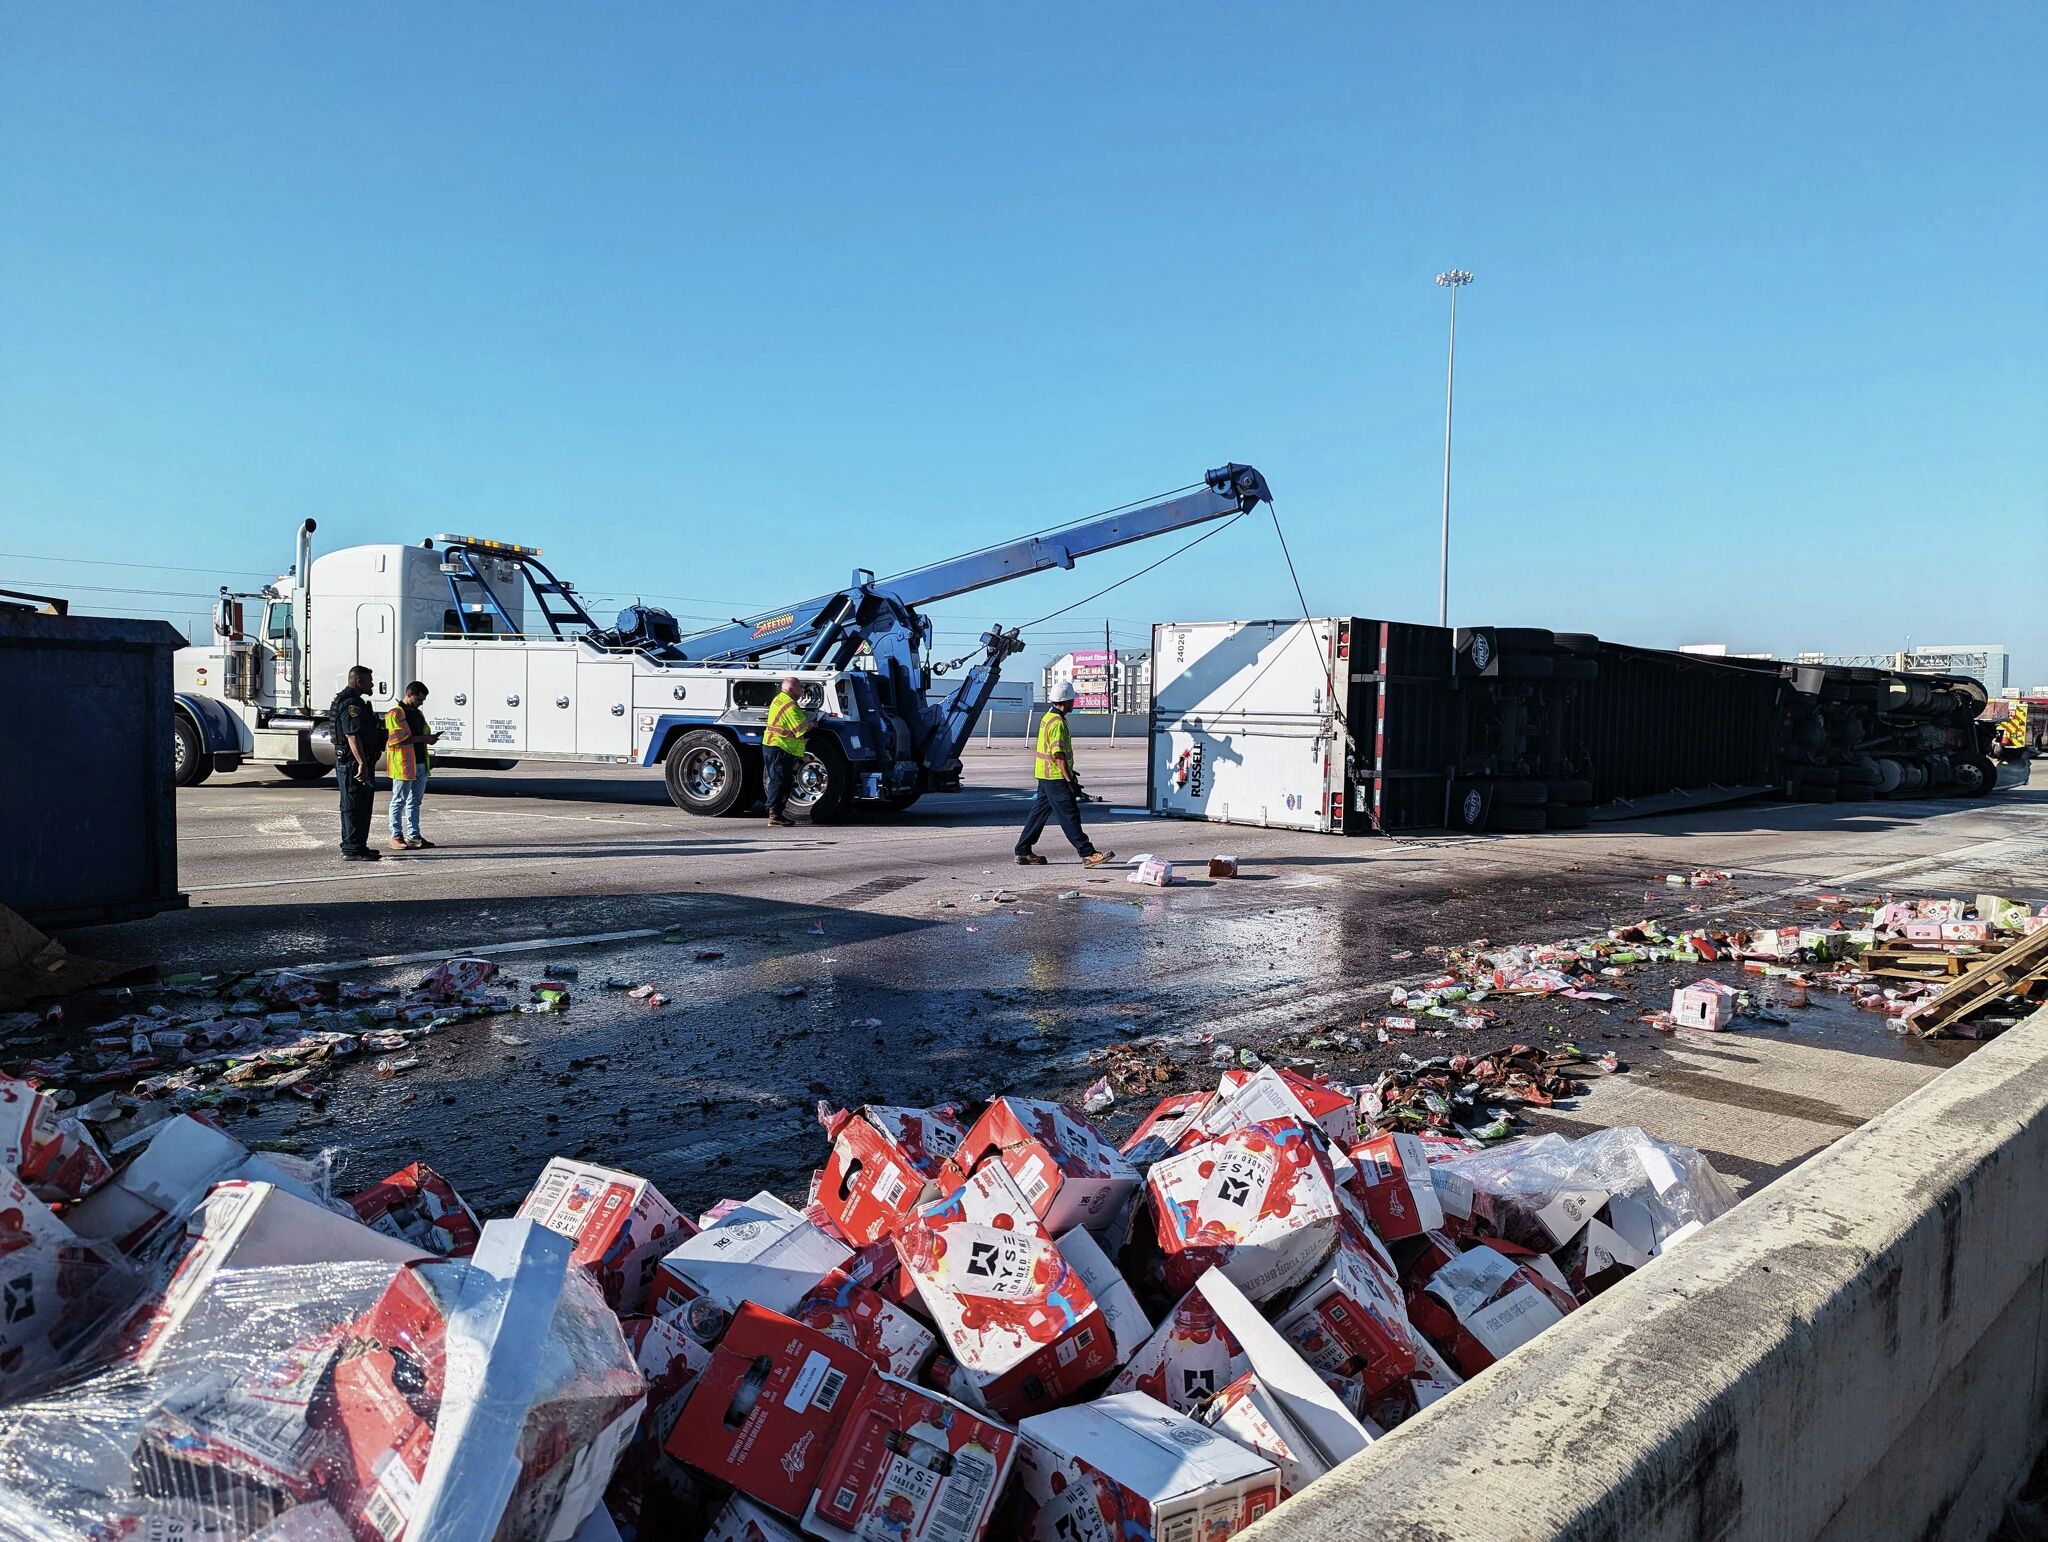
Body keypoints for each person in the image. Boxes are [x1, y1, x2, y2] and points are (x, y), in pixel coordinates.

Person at [1016, 682, 1114, 867]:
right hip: (1055, 777)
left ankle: (1023, 851)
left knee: (1038, 815)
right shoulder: (1058, 722)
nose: (1073, 703)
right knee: (1069, 814)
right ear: (1067, 702)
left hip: (1045, 775)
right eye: (1072, 700)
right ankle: (1087, 853)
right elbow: (1058, 755)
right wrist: (1070, 780)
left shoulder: (1048, 717)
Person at [330, 666, 386, 861]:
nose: (372, 684)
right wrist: (361, 762)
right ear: (359, 681)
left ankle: (358, 845)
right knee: (353, 804)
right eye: (369, 681)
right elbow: (352, 735)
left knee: (362, 804)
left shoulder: (355, 701)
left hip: (357, 760)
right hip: (352, 762)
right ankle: (352, 848)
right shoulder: (351, 703)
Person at [383, 681, 442, 851]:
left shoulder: (417, 713)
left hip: (420, 762)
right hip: (403, 764)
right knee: (399, 800)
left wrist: (429, 738)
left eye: (422, 700)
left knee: (415, 801)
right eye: (418, 699)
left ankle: (414, 836)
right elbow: (399, 739)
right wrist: (425, 738)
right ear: (409, 694)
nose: (420, 703)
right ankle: (395, 836)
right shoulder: (395, 713)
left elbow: (419, 735)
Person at [761, 675, 814, 827]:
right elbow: (801, 727)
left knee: (778, 779)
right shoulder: (789, 705)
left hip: (772, 745)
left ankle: (775, 813)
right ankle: (774, 814)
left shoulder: (780, 699)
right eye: (799, 687)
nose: (802, 689)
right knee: (780, 780)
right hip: (780, 746)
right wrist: (813, 723)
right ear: (791, 689)